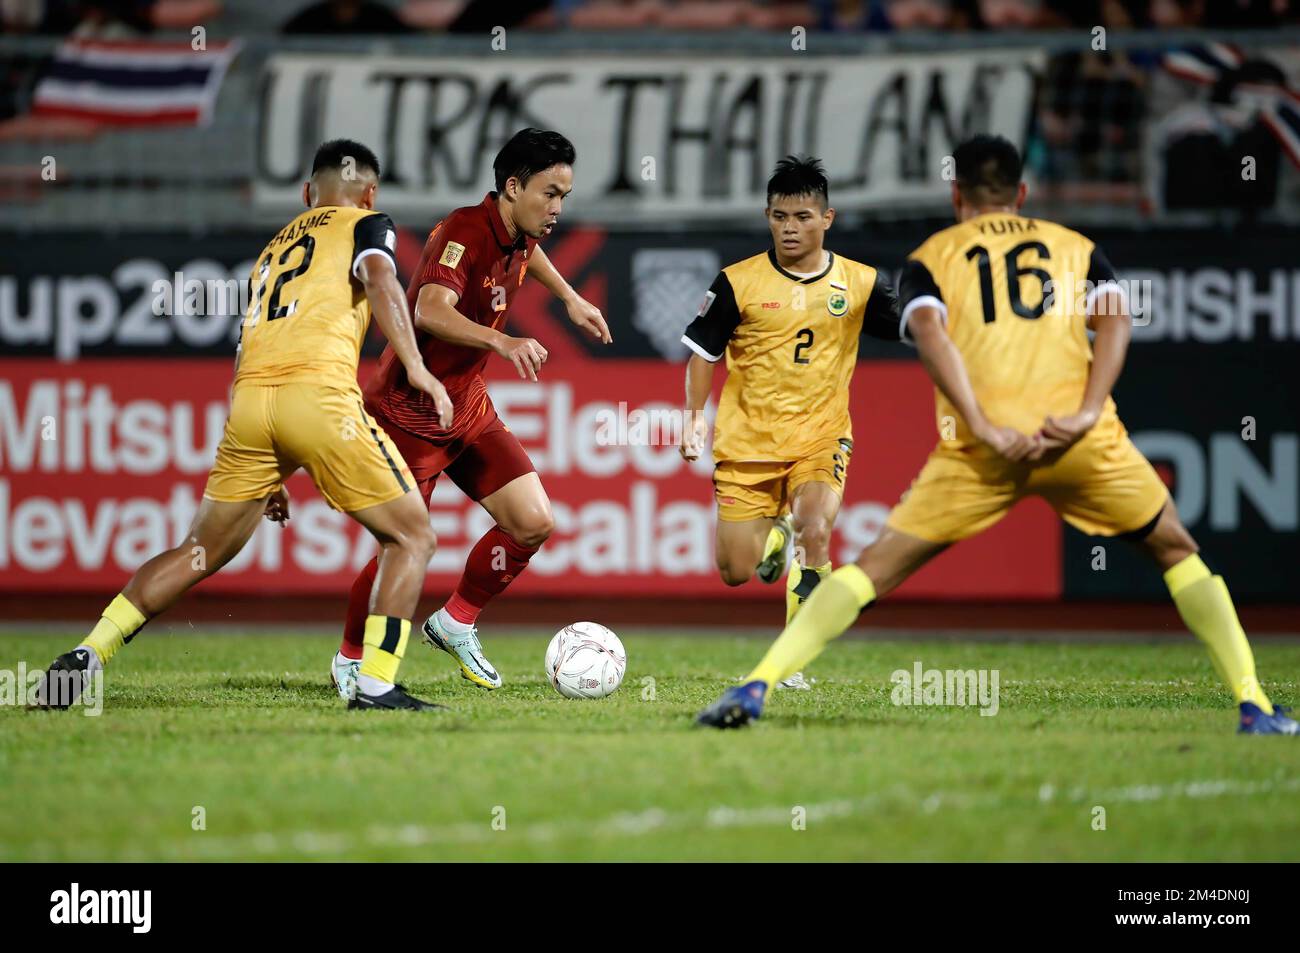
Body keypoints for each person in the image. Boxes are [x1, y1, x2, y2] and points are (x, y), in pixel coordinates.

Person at [697, 134, 1297, 735]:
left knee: (871, 569)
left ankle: (757, 687)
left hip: (983, 448)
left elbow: (928, 332)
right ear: (1023, 193)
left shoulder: (934, 255)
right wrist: (1089, 411)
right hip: (1078, 439)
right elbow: (1116, 317)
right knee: (1175, 549)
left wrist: (981, 423)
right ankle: (1254, 704)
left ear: (957, 193)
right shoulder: (1075, 247)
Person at [36, 139, 454, 712]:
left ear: (307, 193)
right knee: (412, 536)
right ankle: (376, 685)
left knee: (196, 551)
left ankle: (87, 654)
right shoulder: (367, 224)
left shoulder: (273, 251)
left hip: (252, 404)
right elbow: (381, 278)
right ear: (370, 193)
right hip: (320, 397)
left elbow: (245, 346)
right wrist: (415, 365)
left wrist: (271, 459)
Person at [330, 127, 611, 698]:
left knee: (533, 521)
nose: (558, 208)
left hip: (468, 408)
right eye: (550, 194)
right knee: (400, 547)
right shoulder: (463, 231)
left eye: (564, 196)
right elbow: (430, 310)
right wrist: (502, 342)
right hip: (410, 414)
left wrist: (570, 298)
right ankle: (351, 659)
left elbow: (529, 257)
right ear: (512, 187)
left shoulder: (519, 230)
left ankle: (454, 621)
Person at [679, 155, 899, 691]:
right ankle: (773, 537)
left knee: (816, 528)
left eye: (802, 216)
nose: (790, 228)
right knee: (734, 571)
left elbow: (917, 327)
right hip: (746, 444)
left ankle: (792, 663)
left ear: (827, 218)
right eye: (779, 217)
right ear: (767, 217)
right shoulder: (738, 283)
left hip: (822, 437)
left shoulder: (861, 284)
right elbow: (703, 354)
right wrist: (691, 420)